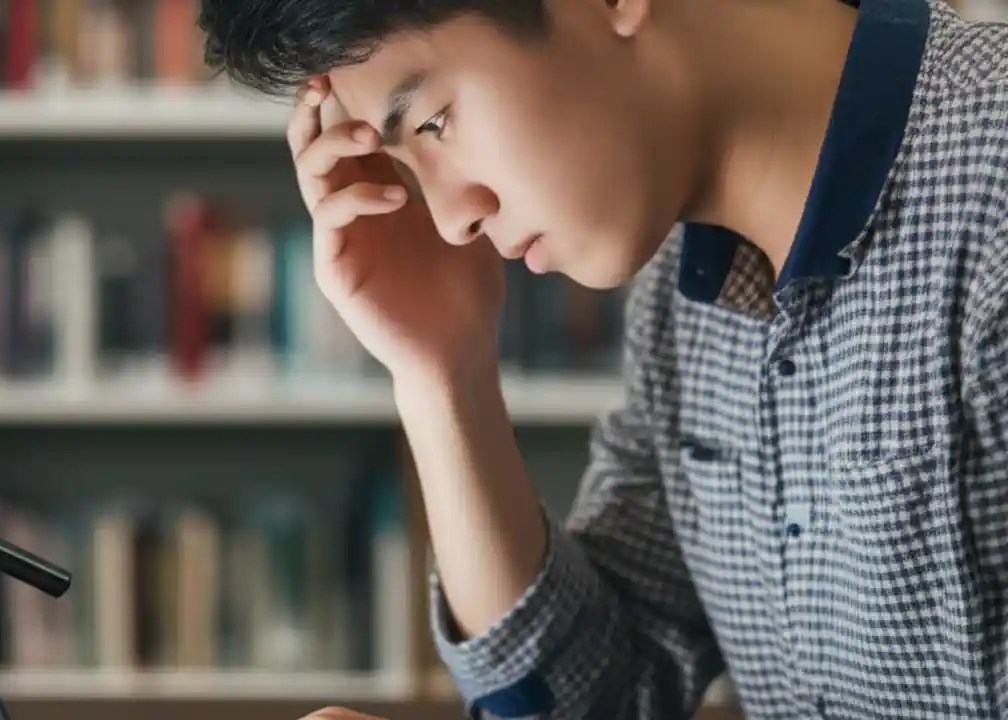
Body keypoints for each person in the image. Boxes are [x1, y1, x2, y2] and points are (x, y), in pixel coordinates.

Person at [199, 0, 1008, 716]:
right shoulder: (681, 298)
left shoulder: (992, 193)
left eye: (436, 124)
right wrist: (443, 375)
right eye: (406, 170)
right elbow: (602, 693)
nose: (450, 220)